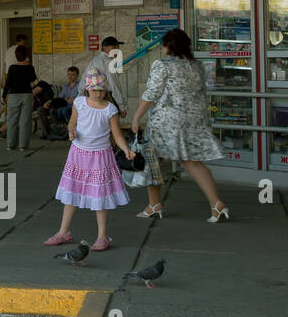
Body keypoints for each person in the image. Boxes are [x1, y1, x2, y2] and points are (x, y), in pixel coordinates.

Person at [128, 28, 231, 222]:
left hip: (165, 122)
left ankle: (154, 204)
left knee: (152, 161)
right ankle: (216, 204)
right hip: (193, 120)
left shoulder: (162, 65)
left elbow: (151, 94)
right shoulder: (196, 65)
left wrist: (136, 118)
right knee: (192, 162)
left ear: (167, 46)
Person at [44, 72, 135, 251]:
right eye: (94, 90)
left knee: (99, 195)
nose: (98, 93)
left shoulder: (110, 109)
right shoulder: (79, 103)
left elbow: (116, 135)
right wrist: (71, 131)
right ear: (87, 89)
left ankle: (102, 236)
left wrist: (126, 149)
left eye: (102, 90)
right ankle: (63, 231)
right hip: (78, 154)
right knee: (71, 192)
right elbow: (72, 122)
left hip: (100, 156)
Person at [1, 45, 37, 151]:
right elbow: (34, 81)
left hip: (13, 96)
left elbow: (8, 83)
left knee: (12, 120)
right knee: (25, 121)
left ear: (16, 56)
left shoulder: (12, 68)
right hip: (27, 95)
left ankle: (10, 145)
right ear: (26, 56)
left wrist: (4, 96)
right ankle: (23, 145)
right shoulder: (30, 67)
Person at [83, 36, 127, 119]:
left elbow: (83, 81)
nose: (117, 50)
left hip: (91, 99)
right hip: (106, 98)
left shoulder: (94, 61)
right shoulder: (109, 63)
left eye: (118, 47)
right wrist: (122, 107)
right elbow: (114, 86)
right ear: (104, 48)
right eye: (114, 47)